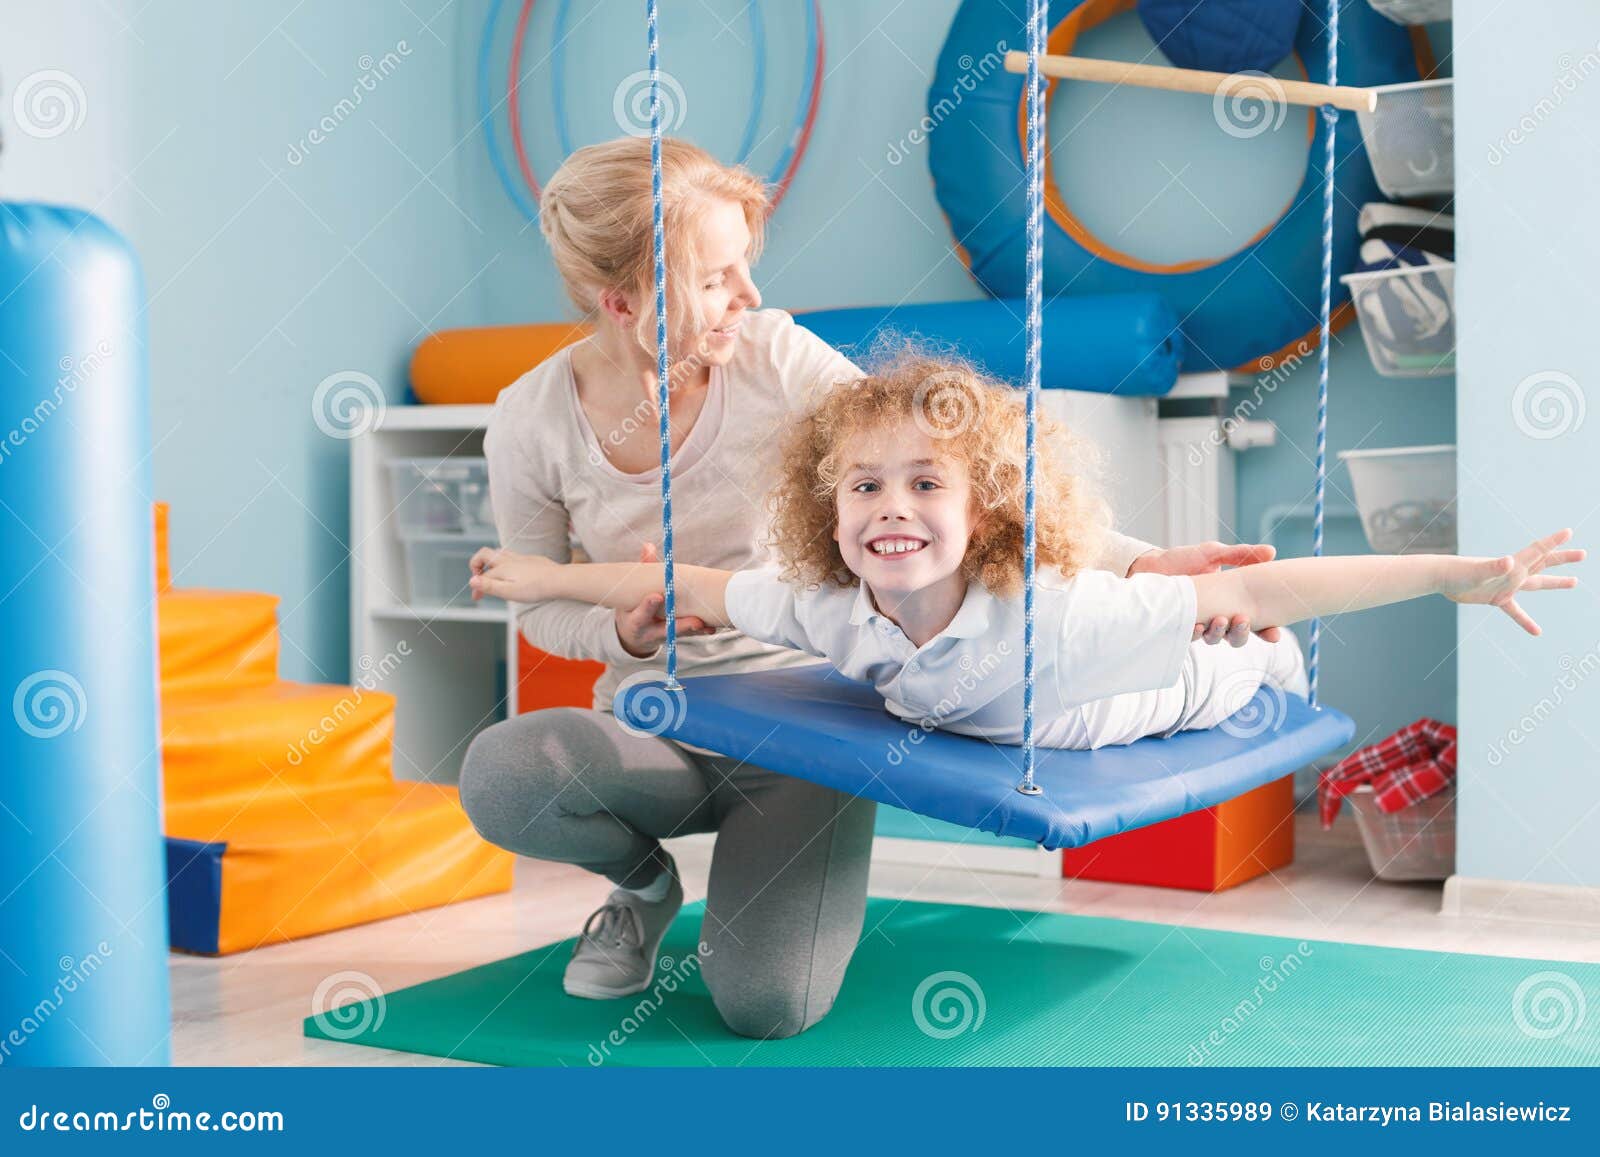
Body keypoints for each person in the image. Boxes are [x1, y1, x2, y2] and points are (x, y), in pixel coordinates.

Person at [457, 135, 1292, 1041]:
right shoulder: (530, 420)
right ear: (623, 303)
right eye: (716, 279)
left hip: (803, 738)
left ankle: (755, 891)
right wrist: (622, 636)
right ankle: (643, 883)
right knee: (504, 773)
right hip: (650, 726)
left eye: (747, 267)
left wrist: (1135, 562)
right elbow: (537, 601)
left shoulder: (772, 356)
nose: (750, 296)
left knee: (766, 1006)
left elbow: (949, 468)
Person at [470, 353, 1583, 753]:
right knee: (1187, 598)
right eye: (863, 486)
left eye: (923, 484)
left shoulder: (1062, 620)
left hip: (1127, 694)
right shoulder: (827, 603)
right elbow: (687, 583)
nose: (887, 509)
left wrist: (1455, 575)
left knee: (1237, 634)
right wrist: (545, 576)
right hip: (1033, 660)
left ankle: (1260, 661)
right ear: (828, 509)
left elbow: (1264, 582)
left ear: (986, 510)